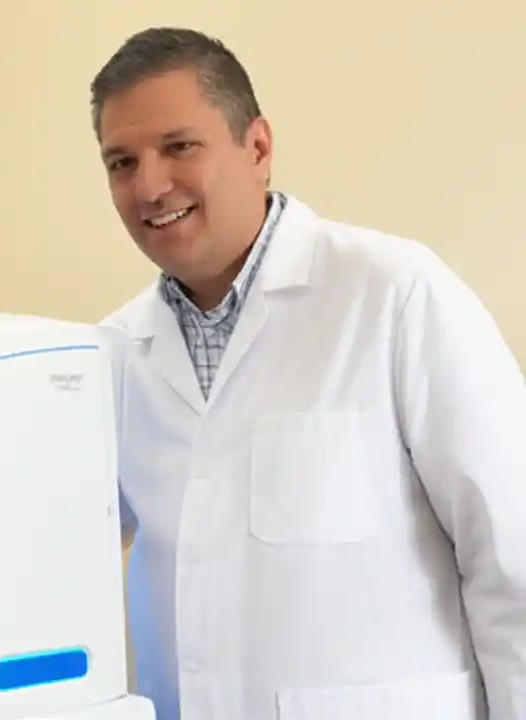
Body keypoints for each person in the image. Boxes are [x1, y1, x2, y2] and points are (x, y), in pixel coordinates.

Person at [91, 27, 526, 720]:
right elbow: (55, 549)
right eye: (121, 161)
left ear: (257, 147)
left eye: (179, 147)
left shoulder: (394, 295)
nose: (149, 185)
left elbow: (513, 555)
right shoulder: (113, 351)